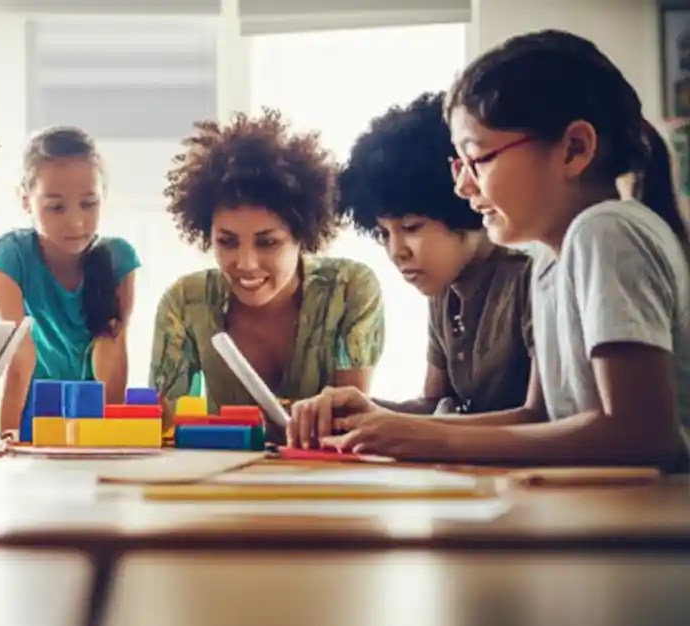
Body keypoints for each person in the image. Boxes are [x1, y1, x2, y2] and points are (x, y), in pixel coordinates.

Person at [290, 31, 690, 470]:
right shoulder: (550, 261)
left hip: (647, 511)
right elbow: (537, 417)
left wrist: (433, 439)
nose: (464, 186)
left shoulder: (604, 231)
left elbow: (643, 435)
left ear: (574, 149)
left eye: (478, 159)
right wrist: (385, 421)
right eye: (459, 166)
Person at [153, 109, 385, 422]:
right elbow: (166, 426)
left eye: (267, 243)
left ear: (302, 235)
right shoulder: (185, 303)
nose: (246, 263)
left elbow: (350, 418)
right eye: (227, 242)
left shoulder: (349, 290)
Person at [339, 91, 533, 415]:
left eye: (411, 227)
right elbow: (432, 406)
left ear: (461, 205)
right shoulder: (444, 287)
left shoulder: (527, 278)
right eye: (383, 233)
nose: (396, 252)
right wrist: (351, 409)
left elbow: (540, 418)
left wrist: (380, 422)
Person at [0, 126, 140, 439]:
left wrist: (108, 439)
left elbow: (112, 354)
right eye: (56, 207)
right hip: (27, 412)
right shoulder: (12, 255)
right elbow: (18, 355)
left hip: (88, 415)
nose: (76, 222)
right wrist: (7, 440)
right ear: (25, 200)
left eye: (89, 203)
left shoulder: (117, 259)